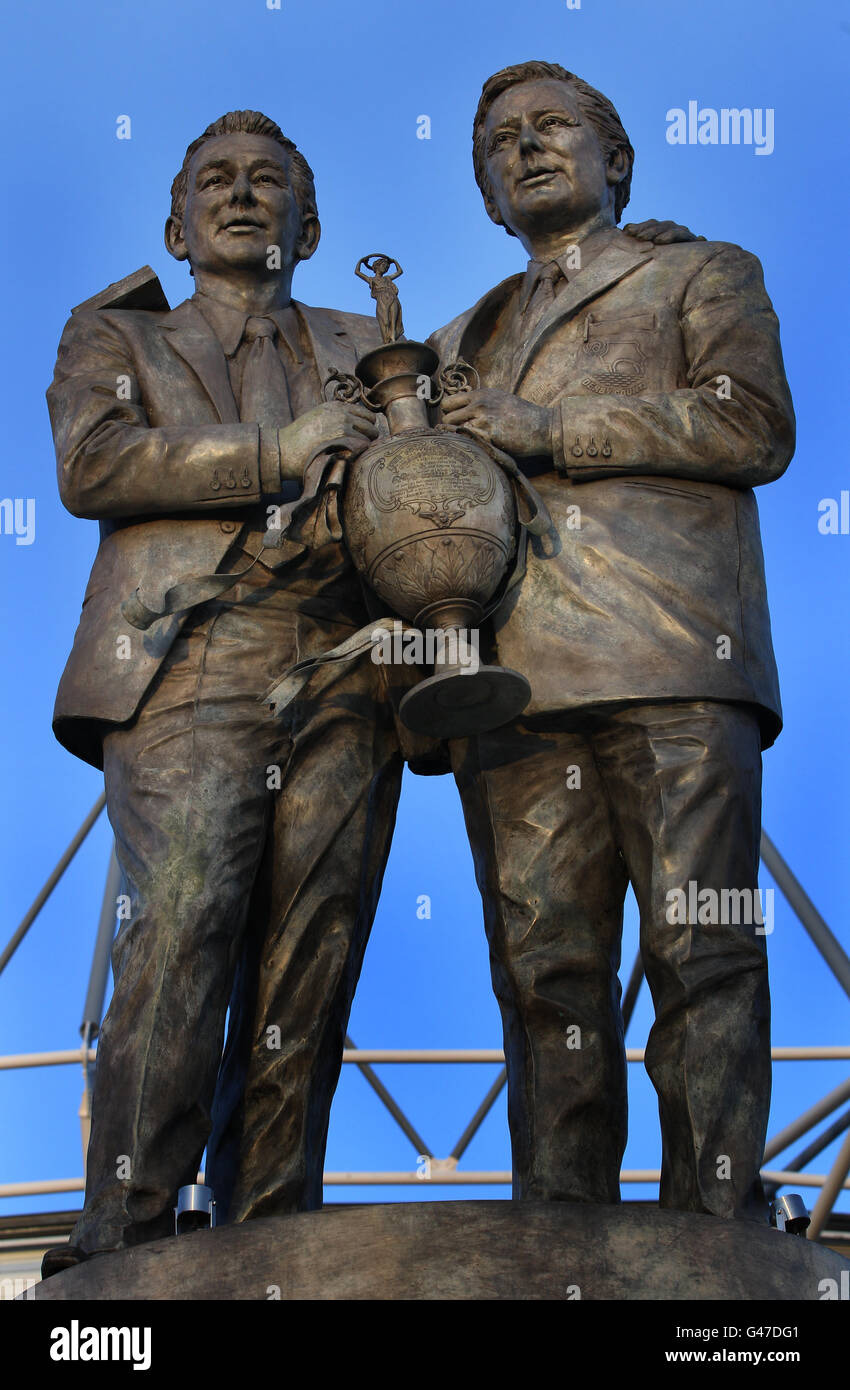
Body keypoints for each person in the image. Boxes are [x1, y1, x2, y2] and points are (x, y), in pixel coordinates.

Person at [41, 109, 421, 1275]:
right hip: (193, 651)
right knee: (182, 934)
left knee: (311, 956)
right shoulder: (117, 332)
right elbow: (95, 464)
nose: (242, 194)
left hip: (347, 668)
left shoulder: (380, 340)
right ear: (176, 219)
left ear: (313, 223)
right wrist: (277, 449)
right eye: (216, 180)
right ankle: (125, 1241)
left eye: (269, 181)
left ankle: (267, 1241)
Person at [430, 61, 795, 1220]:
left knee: (704, 956)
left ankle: (721, 1244)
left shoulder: (700, 270)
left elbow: (750, 422)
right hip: (516, 688)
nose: (526, 148)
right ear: (487, 194)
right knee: (544, 981)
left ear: (614, 161)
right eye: (499, 142)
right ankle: (559, 1245)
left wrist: (548, 429)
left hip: (677, 657)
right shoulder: (456, 339)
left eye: (554, 127)